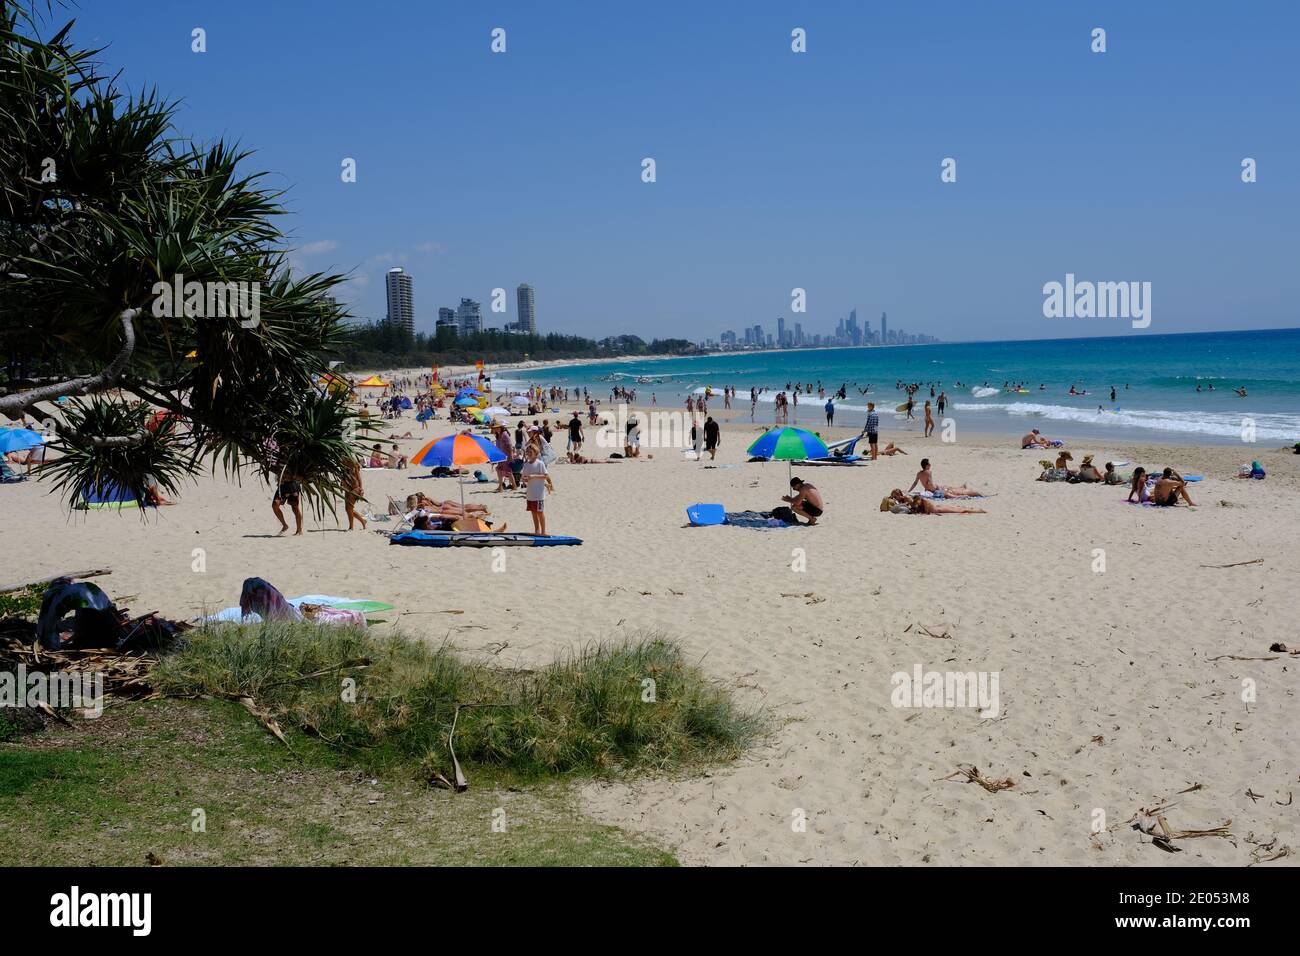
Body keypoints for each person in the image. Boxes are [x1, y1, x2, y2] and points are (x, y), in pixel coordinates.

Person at [907, 458, 984, 498]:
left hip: (932, 488)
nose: (930, 465)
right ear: (926, 465)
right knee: (949, 490)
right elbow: (929, 482)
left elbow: (915, 483)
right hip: (935, 489)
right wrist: (930, 490)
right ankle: (962, 489)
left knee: (948, 487)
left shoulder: (919, 473)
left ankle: (961, 487)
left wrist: (909, 491)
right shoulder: (929, 472)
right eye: (929, 464)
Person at [520, 443, 552, 534]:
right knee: (533, 513)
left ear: (535, 453)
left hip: (539, 494)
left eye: (531, 452)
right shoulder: (526, 465)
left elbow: (545, 476)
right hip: (530, 493)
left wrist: (533, 476)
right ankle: (537, 531)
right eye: (528, 452)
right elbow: (524, 477)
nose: (529, 454)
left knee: (540, 513)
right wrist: (525, 479)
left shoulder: (540, 463)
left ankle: (543, 531)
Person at [343, 457, 366, 530]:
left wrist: (361, 489)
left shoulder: (354, 464)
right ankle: (362, 521)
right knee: (348, 509)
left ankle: (351, 527)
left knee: (350, 508)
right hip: (347, 488)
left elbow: (358, 477)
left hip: (355, 488)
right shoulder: (343, 465)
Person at [492, 423, 516, 492]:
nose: (495, 429)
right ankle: (500, 486)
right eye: (494, 428)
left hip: (506, 456)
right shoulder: (498, 435)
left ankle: (514, 486)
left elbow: (510, 446)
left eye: (496, 427)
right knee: (498, 469)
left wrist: (511, 456)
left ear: (500, 427)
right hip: (500, 456)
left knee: (508, 471)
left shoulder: (505, 434)